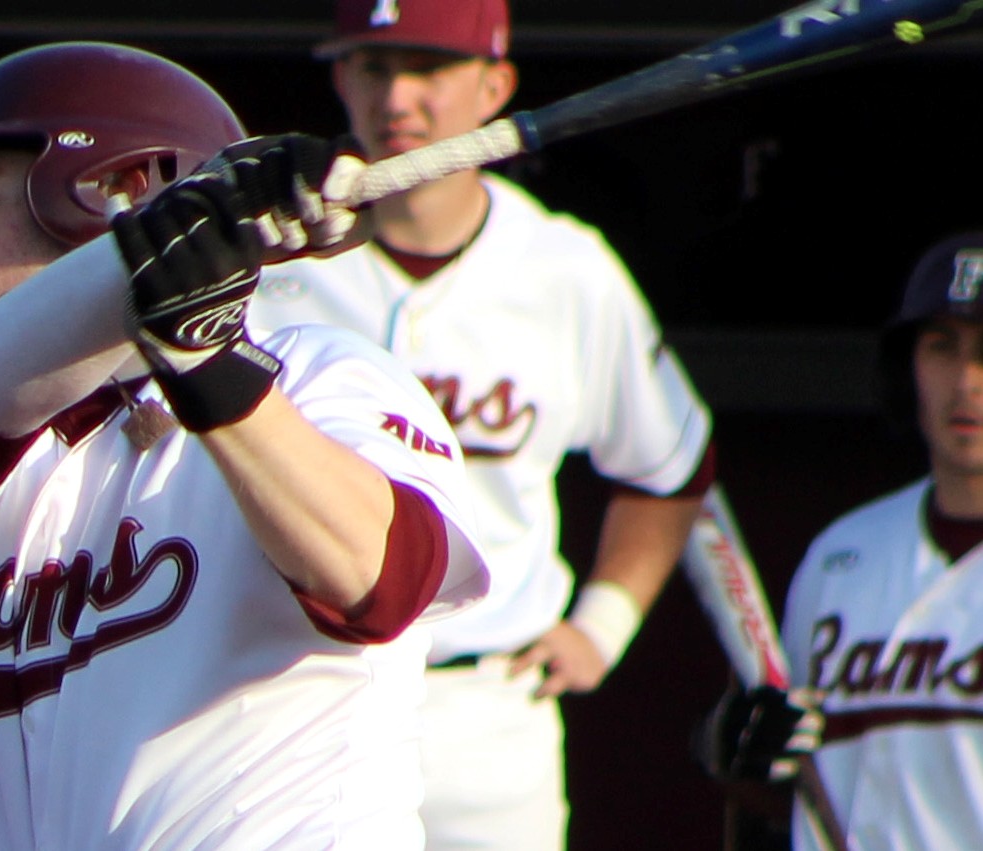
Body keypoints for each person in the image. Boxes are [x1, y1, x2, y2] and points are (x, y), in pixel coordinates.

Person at [0, 40, 504, 850]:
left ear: (117, 186)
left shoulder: (320, 374)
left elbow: (383, 580)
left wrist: (209, 367)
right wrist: (177, 233)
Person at [246, 1, 718, 848]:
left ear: (495, 85)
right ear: (340, 77)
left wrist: (601, 626)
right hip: (300, 692)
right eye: (375, 66)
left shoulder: (564, 268)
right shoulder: (271, 268)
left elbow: (670, 463)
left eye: (428, 67)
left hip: (488, 710)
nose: (397, 99)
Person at [696, 230, 983, 851]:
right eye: (942, 347)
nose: (967, 381)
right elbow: (790, 783)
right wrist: (737, 747)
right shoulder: (843, 553)